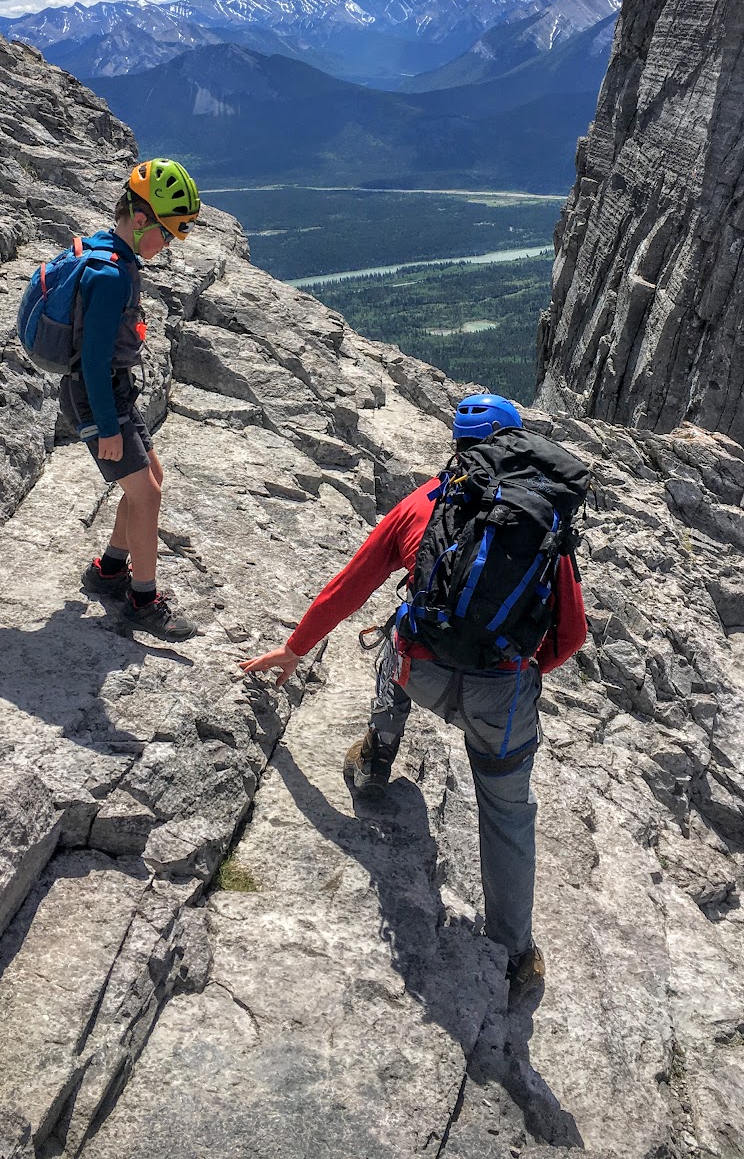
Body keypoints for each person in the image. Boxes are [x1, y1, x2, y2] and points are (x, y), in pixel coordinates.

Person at [241, 393, 585, 1004]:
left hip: (418, 674)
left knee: (396, 630)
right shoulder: (539, 523)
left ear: (459, 444)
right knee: (507, 814)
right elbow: (570, 634)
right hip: (497, 698)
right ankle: (513, 954)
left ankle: (378, 753)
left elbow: (350, 586)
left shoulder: (423, 506)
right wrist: (521, 672)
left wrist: (294, 651)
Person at [69, 157, 202, 643]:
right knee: (146, 493)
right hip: (97, 397)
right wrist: (105, 425)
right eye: (166, 235)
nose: (166, 246)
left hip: (113, 391)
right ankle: (143, 601)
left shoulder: (115, 256)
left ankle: (109, 570)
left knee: (151, 477)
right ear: (141, 219)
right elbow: (92, 362)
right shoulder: (112, 277)